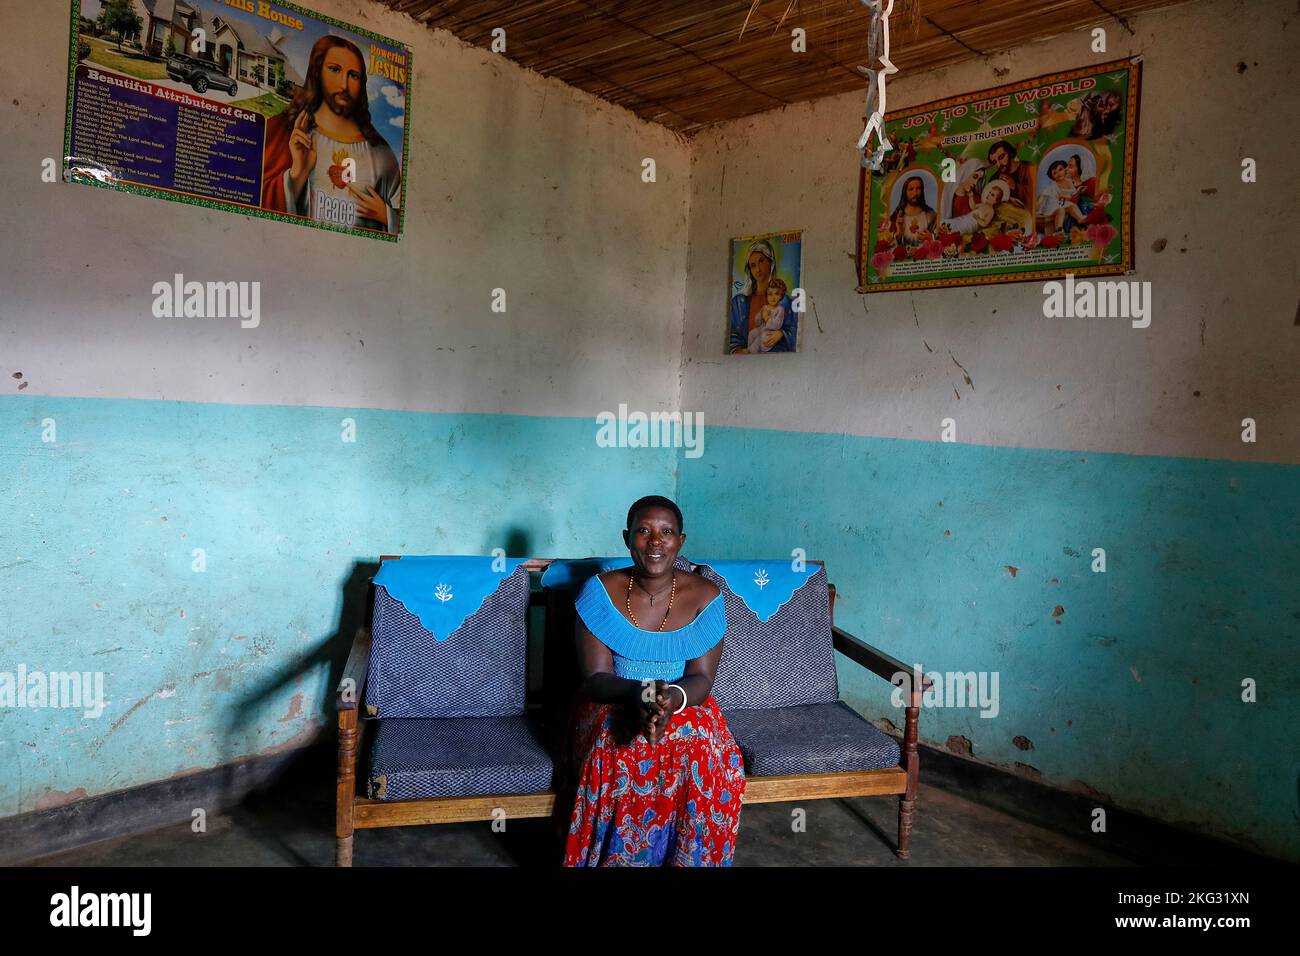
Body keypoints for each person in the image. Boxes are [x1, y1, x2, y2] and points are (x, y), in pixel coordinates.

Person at [563, 496, 745, 866]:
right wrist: (641, 695)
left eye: (667, 532)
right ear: (628, 538)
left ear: (681, 540)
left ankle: (687, 859)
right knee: (620, 742)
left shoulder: (706, 597)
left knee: (696, 743)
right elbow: (596, 678)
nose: (656, 541)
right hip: (611, 699)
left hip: (683, 698)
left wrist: (666, 701)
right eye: (644, 531)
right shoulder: (599, 592)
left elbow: (701, 679)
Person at [261, 35, 401, 234]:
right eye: (335, 70)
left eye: (353, 75)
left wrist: (386, 215)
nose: (344, 84)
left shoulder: (381, 153)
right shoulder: (285, 131)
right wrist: (297, 174)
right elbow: (250, 199)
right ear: (317, 72)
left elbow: (408, 227)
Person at [728, 240, 797, 353]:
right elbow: (733, 336)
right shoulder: (739, 303)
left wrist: (781, 333)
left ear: (770, 262)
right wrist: (738, 351)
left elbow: (794, 330)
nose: (758, 269)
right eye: (753, 265)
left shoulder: (784, 301)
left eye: (761, 261)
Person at [887, 175, 937, 248]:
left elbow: (938, 235)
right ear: (905, 192)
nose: (915, 193)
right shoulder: (897, 215)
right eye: (911, 189)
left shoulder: (930, 214)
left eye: (918, 188)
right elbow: (890, 244)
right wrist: (899, 231)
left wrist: (932, 237)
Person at [747, 278, 788, 354]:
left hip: (770, 332)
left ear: (781, 296)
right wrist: (760, 315)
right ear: (767, 295)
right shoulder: (765, 307)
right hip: (762, 329)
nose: (773, 297)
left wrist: (766, 318)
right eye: (770, 294)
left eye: (776, 294)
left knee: (760, 339)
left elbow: (777, 325)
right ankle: (749, 349)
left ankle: (750, 352)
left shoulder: (780, 309)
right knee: (752, 333)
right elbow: (758, 322)